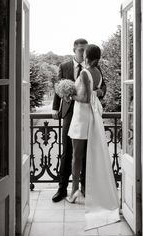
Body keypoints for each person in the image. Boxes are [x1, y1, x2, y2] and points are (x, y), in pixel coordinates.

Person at [66, 44, 120, 230]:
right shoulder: (98, 72)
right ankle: (87, 189)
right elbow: (96, 94)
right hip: (93, 118)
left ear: (87, 56)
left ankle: (73, 192)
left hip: (82, 119)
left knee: (77, 158)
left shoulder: (84, 73)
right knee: (90, 156)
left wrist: (69, 95)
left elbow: (85, 98)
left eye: (84, 52)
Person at [51, 39, 106, 202]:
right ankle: (62, 189)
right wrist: (56, 108)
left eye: (85, 50)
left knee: (83, 154)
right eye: (80, 50)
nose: (82, 52)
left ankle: (83, 189)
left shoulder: (93, 69)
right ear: (74, 50)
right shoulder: (65, 66)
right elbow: (58, 88)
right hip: (69, 113)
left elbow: (103, 88)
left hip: (84, 114)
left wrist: (97, 93)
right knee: (67, 151)